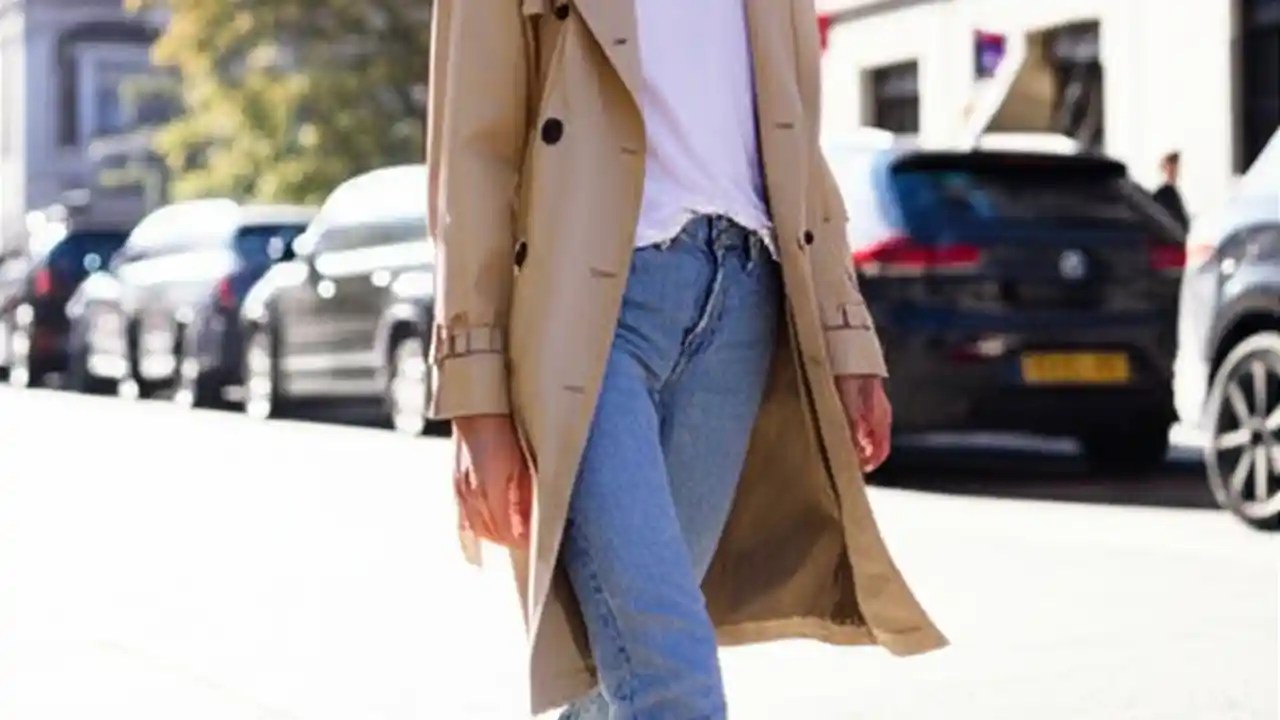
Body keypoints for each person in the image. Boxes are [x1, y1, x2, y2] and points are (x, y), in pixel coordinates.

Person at [425, 1, 947, 717]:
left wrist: (846, 333)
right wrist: (475, 395)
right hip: (590, 315)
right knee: (669, 675)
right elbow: (472, 154)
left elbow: (798, 144)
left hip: (743, 302)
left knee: (620, 681)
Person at [1152, 151, 1190, 233]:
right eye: (1171, 168)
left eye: (1175, 168)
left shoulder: (1174, 192)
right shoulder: (1161, 194)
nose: (1174, 172)